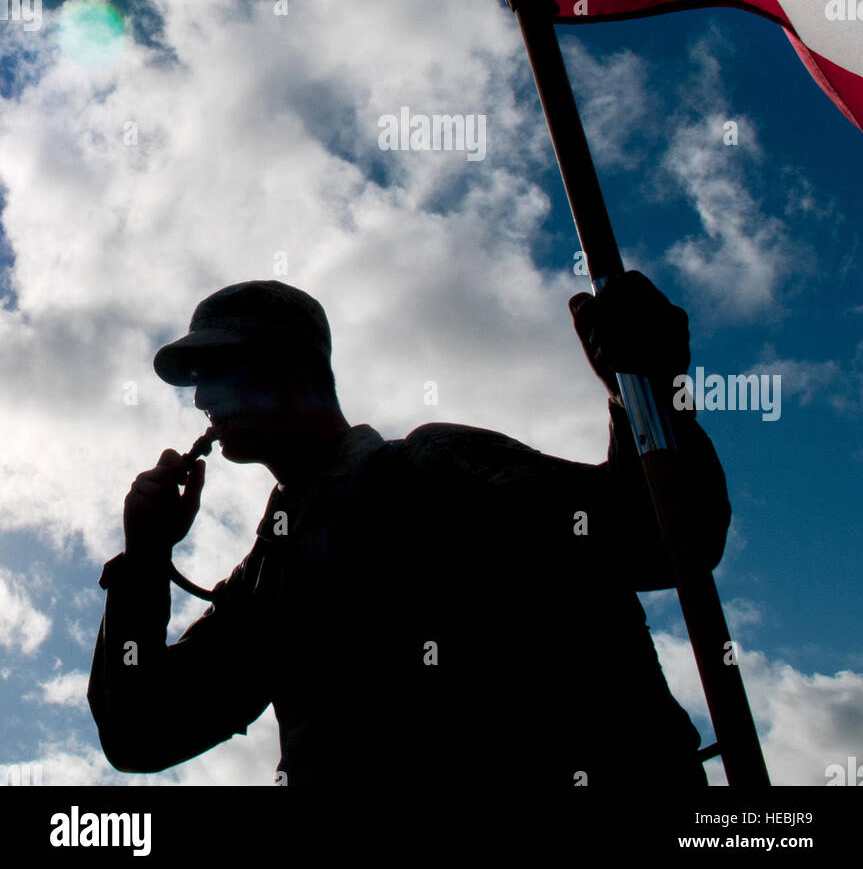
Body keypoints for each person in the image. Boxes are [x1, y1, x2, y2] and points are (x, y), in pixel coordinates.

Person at [88, 273, 730, 792]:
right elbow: (142, 733)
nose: (201, 399)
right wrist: (145, 560)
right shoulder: (267, 579)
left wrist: (646, 391)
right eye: (197, 380)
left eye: (218, 371)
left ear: (292, 368)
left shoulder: (433, 470)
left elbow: (664, 538)